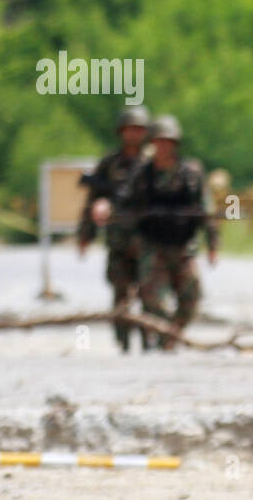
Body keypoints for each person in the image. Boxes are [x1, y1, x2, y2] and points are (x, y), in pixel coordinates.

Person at [122, 115, 219, 349]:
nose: (164, 147)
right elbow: (125, 207)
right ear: (152, 143)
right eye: (159, 141)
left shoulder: (191, 174)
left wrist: (213, 243)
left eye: (169, 142)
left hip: (183, 245)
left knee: (191, 297)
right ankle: (163, 335)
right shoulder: (142, 175)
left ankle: (170, 335)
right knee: (154, 299)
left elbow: (206, 209)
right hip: (152, 246)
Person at [77, 105, 150, 352]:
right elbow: (93, 200)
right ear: (121, 132)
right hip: (118, 239)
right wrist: (85, 234)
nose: (133, 135)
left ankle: (151, 339)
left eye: (138, 130)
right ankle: (123, 341)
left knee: (149, 292)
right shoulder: (110, 163)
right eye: (129, 129)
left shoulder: (153, 162)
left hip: (147, 239)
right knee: (121, 291)